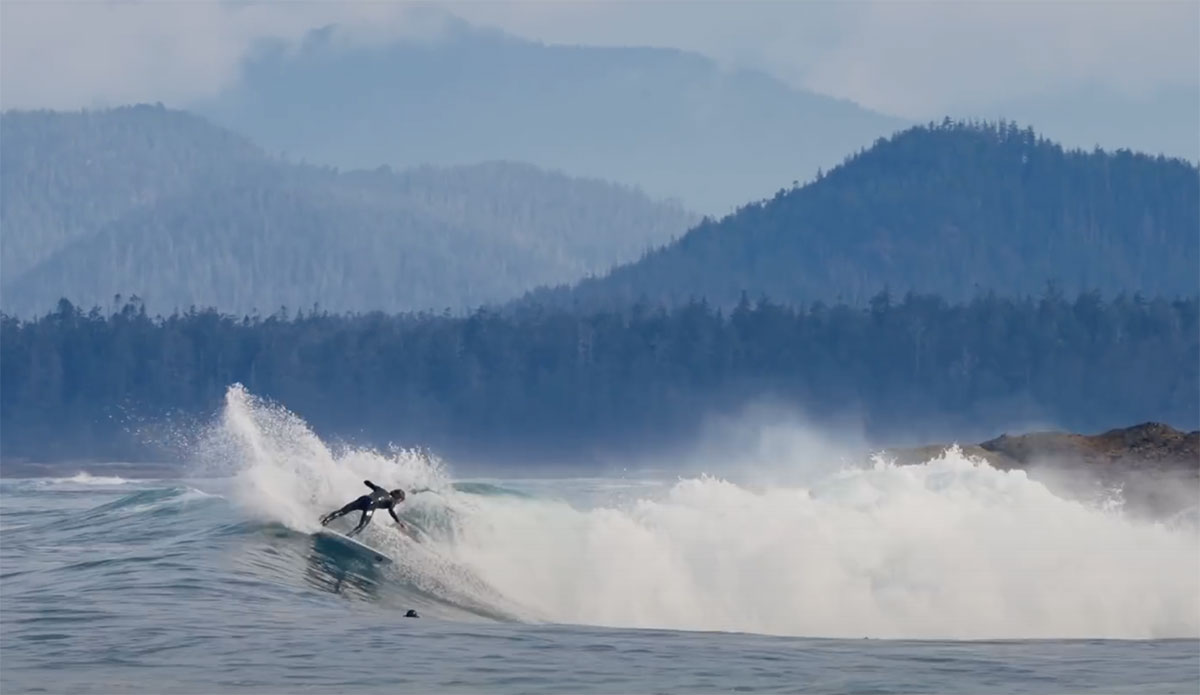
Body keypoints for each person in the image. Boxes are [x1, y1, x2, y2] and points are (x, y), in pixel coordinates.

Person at [320, 480, 406, 537]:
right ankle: (348, 536)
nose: (399, 502)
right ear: (399, 498)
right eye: (400, 500)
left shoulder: (381, 490)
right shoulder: (392, 501)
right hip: (370, 505)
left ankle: (325, 521)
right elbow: (391, 510)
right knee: (362, 526)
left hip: (364, 499)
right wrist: (398, 521)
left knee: (342, 512)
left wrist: (367, 482)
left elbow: (368, 483)